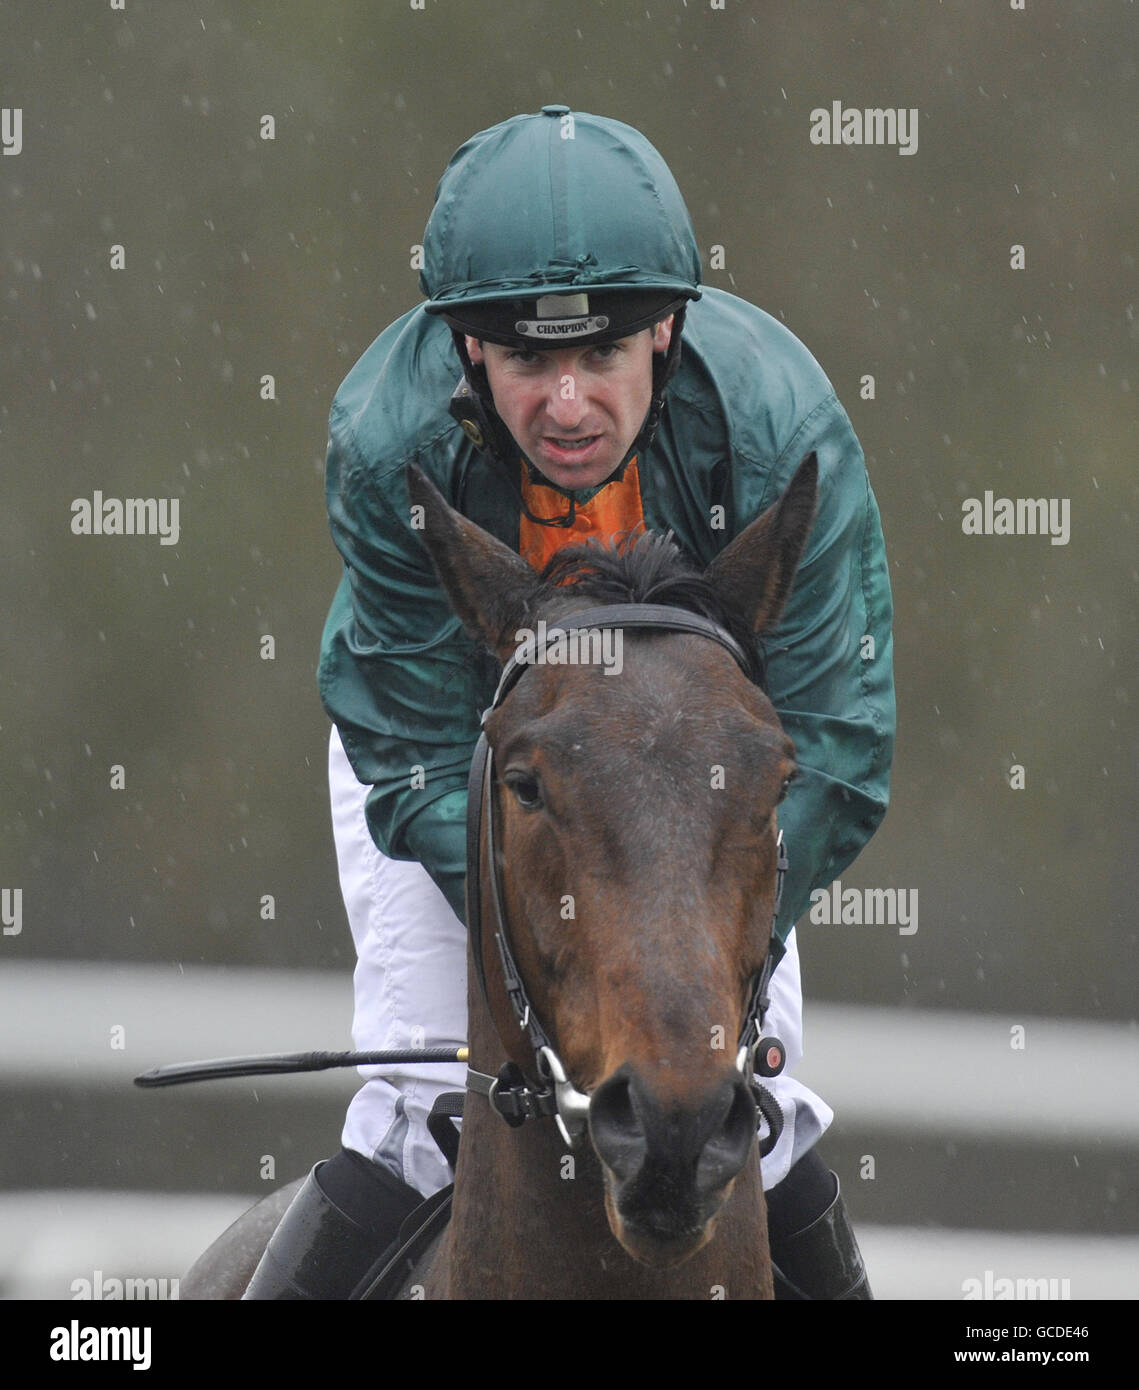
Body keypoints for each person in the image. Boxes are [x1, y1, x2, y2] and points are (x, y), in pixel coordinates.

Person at [243, 105, 894, 1300]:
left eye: (599, 356)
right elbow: (406, 742)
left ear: (664, 330)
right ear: (468, 355)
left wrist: (692, 925)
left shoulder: (785, 434)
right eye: (528, 361)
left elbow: (838, 746)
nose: (566, 405)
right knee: (413, 1105)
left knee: (768, 1111)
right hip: (460, 763)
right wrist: (555, 946)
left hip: (699, 806)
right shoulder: (388, 447)